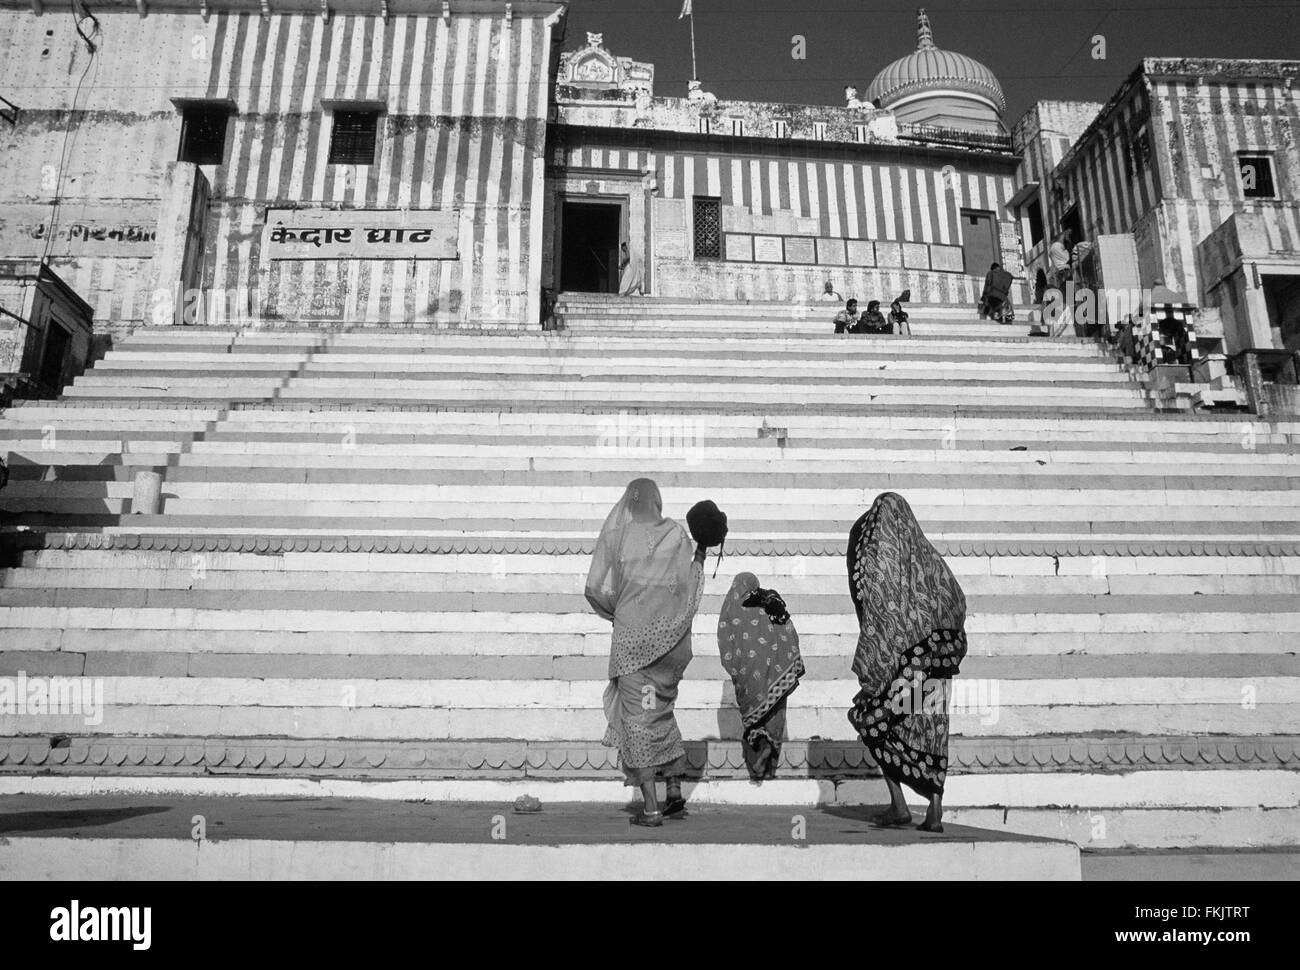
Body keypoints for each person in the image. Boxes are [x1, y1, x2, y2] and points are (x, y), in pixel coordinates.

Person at [586, 479, 721, 827]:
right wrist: (703, 553)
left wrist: (622, 610)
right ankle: (674, 790)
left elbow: (596, 589)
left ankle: (650, 808)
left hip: (632, 644)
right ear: (657, 501)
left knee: (638, 719)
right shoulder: (676, 534)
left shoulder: (618, 537)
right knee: (659, 710)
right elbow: (688, 580)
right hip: (669, 646)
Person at [845, 492, 967, 833]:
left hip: (903, 675)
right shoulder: (930, 562)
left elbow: (879, 620)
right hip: (938, 674)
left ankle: (899, 805)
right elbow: (957, 601)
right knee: (933, 738)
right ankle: (935, 809)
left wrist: (877, 670)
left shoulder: (886, 569)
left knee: (871, 720)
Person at [717, 572, 805, 781]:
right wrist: (788, 661)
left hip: (748, 675)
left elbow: (725, 641)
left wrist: (736, 669)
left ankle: (759, 755)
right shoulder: (768, 602)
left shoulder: (731, 606)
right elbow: (788, 630)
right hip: (777, 668)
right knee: (776, 712)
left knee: (754, 720)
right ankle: (770, 766)